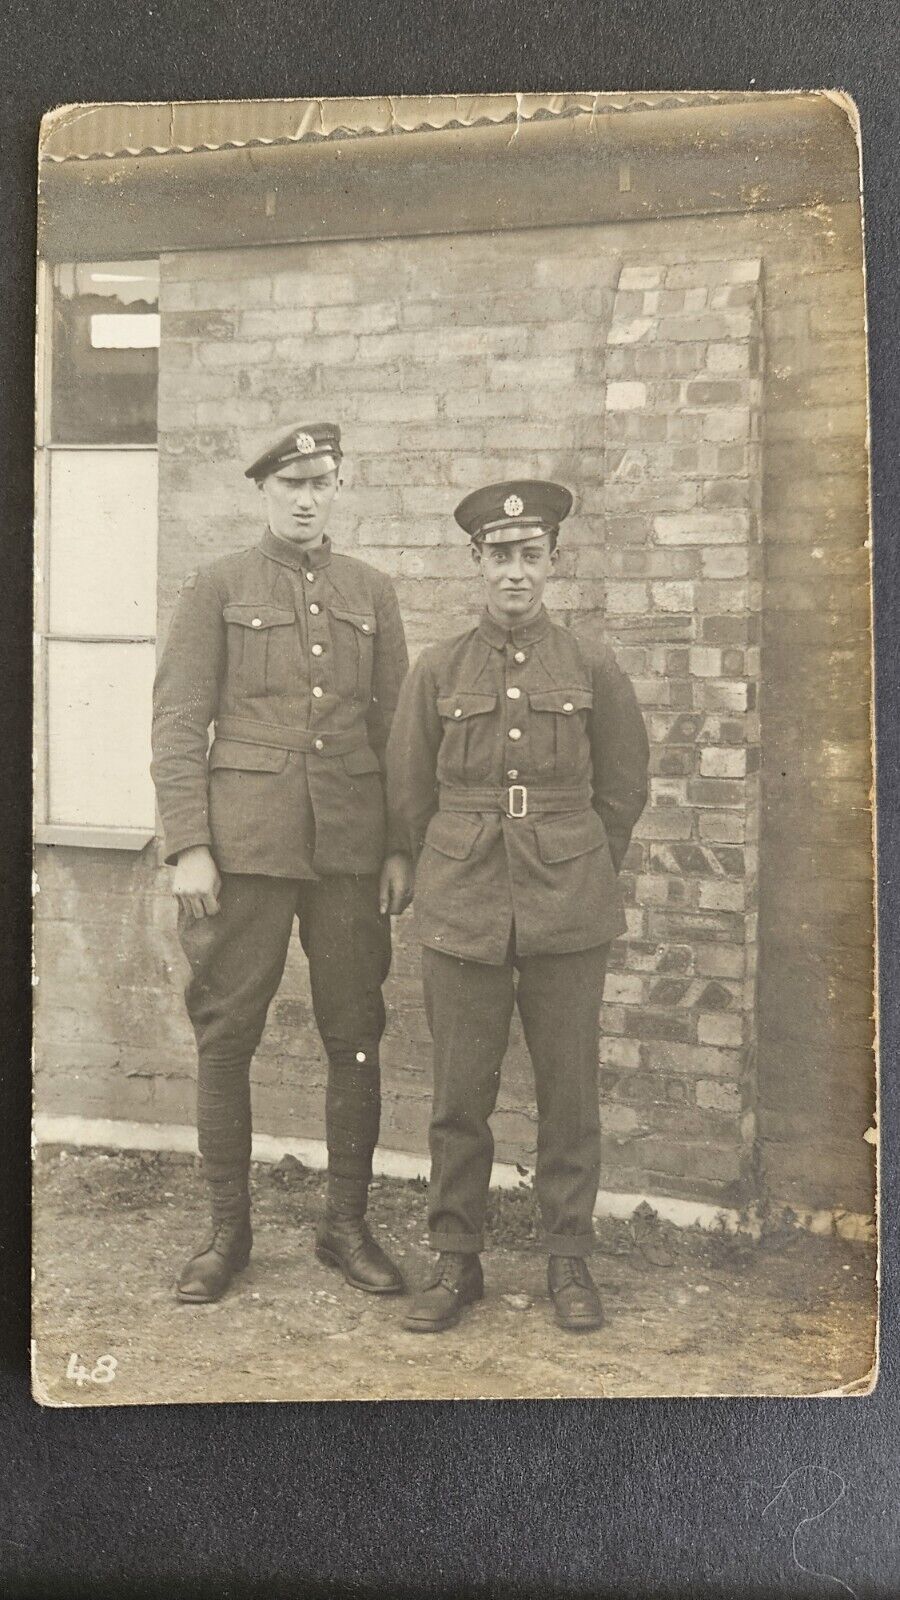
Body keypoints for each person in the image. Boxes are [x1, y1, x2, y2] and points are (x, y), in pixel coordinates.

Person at [151, 422, 412, 1304]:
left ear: (338, 487)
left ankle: (346, 1226)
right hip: (245, 845)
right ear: (264, 490)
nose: (306, 499)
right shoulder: (218, 585)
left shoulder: (371, 591)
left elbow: (395, 732)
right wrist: (191, 844)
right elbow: (178, 721)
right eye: (290, 484)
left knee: (356, 1032)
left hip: (348, 847)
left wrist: (398, 846)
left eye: (321, 482)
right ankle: (227, 1232)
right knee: (227, 1034)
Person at [386, 479, 649, 1333]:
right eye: (499, 556)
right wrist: (443, 863)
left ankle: (568, 1259)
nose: (514, 572)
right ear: (476, 561)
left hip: (568, 903)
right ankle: (455, 1260)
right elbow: (408, 790)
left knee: (569, 1093)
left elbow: (624, 787)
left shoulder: (592, 666)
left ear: (553, 562)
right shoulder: (438, 668)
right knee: (460, 1094)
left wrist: (579, 861)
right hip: (462, 901)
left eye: (530, 556)